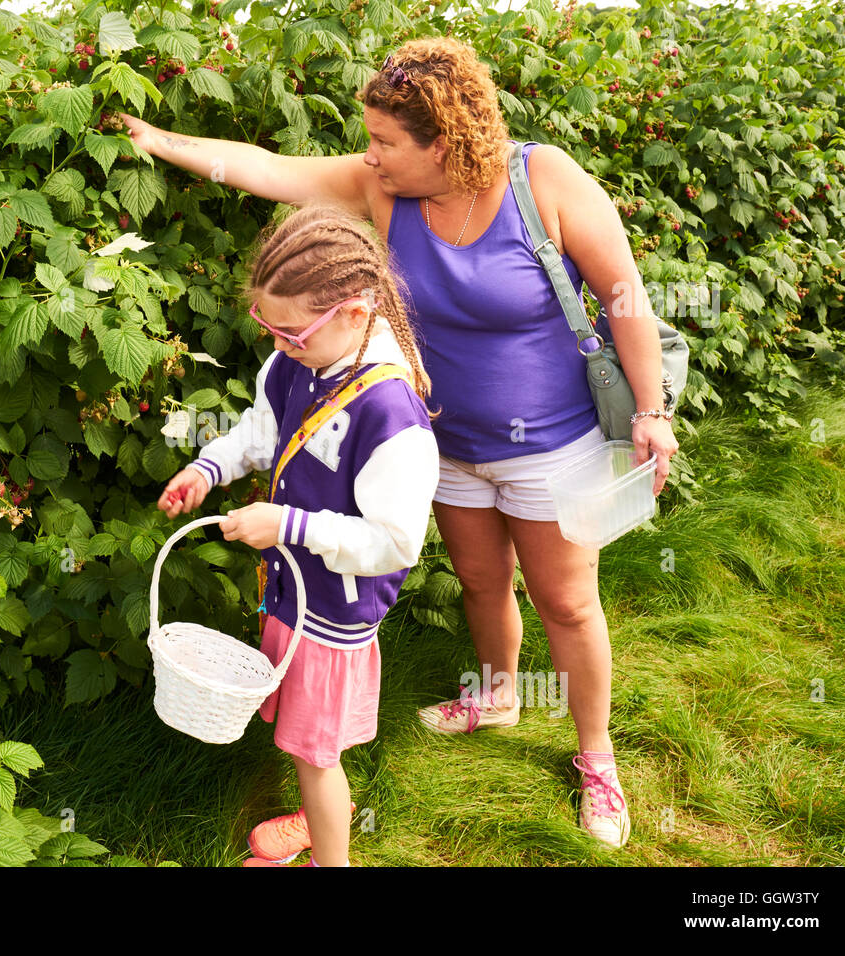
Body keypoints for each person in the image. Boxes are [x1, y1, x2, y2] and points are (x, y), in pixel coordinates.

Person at [125, 36, 681, 849]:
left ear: (444, 144)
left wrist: (651, 410)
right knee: (483, 583)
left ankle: (595, 757)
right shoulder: (387, 190)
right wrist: (160, 143)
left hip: (551, 446)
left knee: (566, 602)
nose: (372, 156)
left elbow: (624, 292)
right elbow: (267, 168)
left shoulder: (542, 180)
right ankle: (496, 694)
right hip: (442, 445)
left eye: (387, 141)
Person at [156, 204, 439, 867]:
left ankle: (328, 857)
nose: (278, 343)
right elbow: (263, 432)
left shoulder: (390, 413)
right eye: (268, 327)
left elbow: (395, 543)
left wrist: (285, 524)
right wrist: (209, 467)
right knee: (306, 738)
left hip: (333, 615)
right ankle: (320, 814)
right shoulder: (296, 362)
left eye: (292, 332)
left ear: (355, 312)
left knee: (315, 752)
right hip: (292, 593)